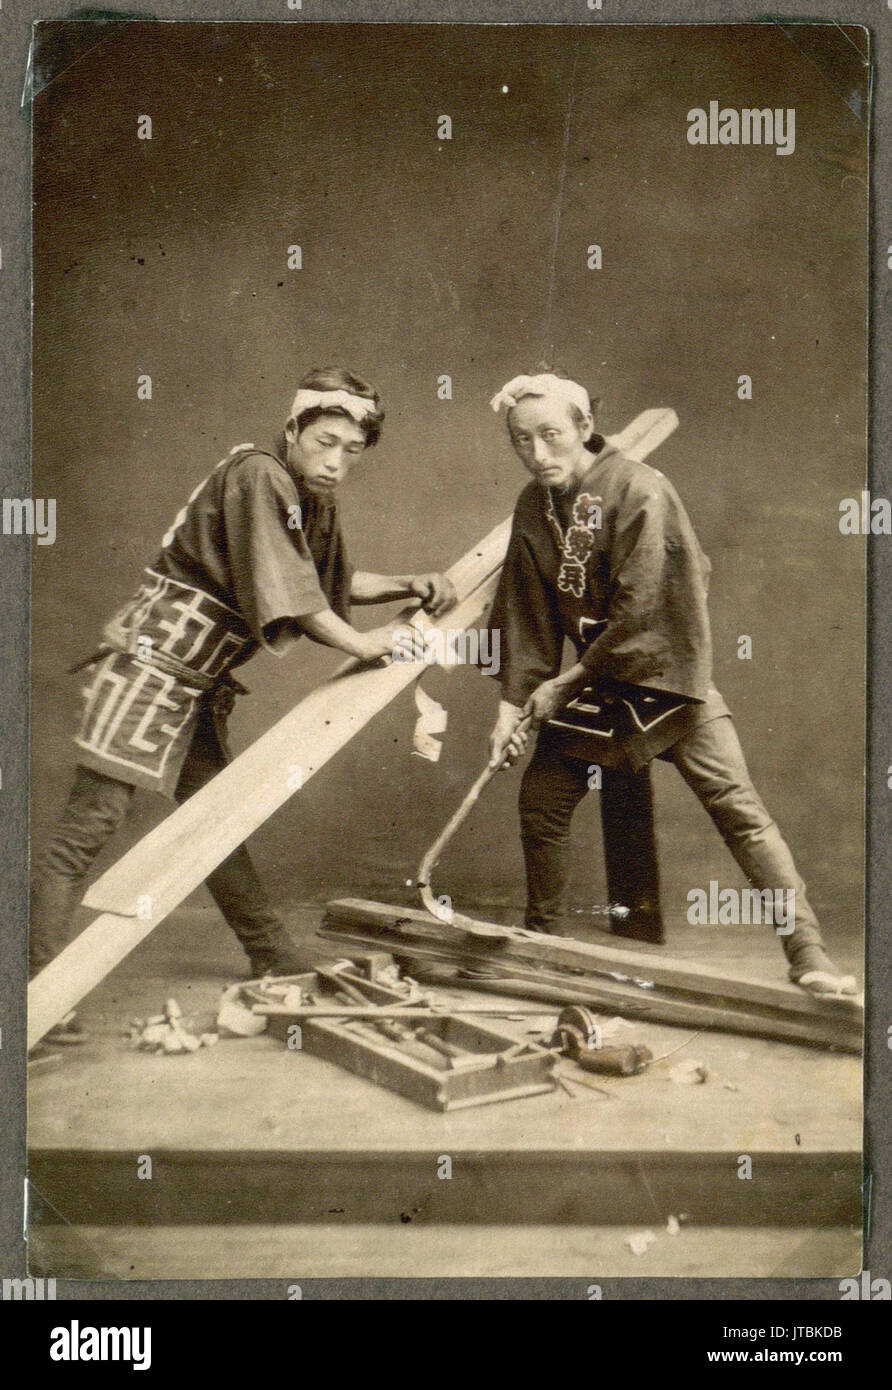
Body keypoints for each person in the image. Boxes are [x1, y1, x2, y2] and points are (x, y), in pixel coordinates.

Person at [31, 366, 456, 1040]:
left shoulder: (309, 495)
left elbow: (328, 584)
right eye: (324, 441)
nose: (337, 461)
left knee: (217, 823)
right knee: (83, 835)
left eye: (352, 450)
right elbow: (294, 596)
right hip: (149, 667)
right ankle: (42, 996)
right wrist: (370, 647)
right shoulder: (259, 475)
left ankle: (271, 955)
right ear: (291, 430)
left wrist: (411, 583)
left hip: (194, 685)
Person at [485, 370, 856, 997]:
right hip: (593, 687)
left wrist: (563, 685)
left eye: (550, 435)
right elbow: (527, 611)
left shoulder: (640, 489)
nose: (537, 454)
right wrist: (511, 706)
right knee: (542, 803)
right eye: (521, 440)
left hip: (663, 673)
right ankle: (542, 946)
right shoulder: (533, 505)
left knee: (740, 811)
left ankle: (809, 954)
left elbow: (649, 607)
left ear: (584, 427)